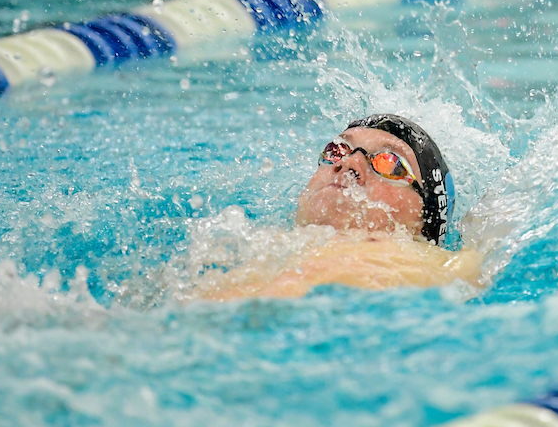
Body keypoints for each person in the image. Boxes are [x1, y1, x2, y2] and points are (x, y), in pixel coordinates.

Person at [193, 114, 482, 300]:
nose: (348, 163)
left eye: (389, 163)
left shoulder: (442, 266)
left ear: (423, 221)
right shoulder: (249, 246)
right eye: (337, 150)